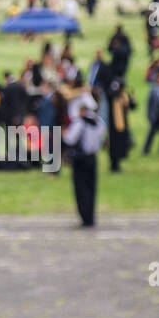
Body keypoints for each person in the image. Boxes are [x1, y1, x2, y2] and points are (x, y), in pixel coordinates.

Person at [63, 96, 107, 228]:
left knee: (81, 190)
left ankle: (84, 218)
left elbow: (70, 139)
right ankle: (90, 217)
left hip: (80, 159)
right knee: (91, 189)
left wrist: (64, 133)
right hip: (92, 158)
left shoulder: (80, 122)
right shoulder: (99, 122)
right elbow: (101, 139)